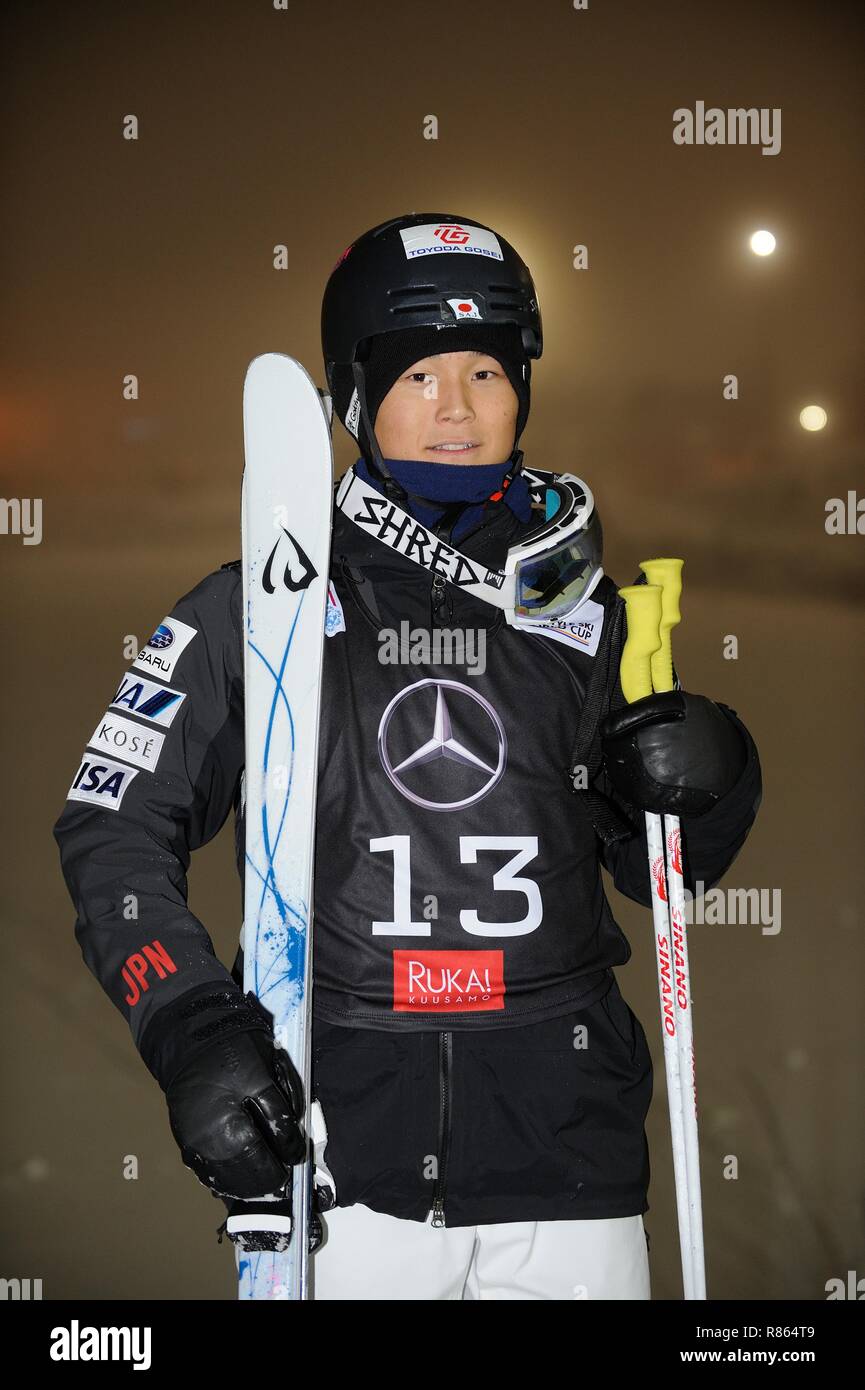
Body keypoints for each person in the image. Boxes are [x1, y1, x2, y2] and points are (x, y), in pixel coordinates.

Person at [53, 211, 762, 1300]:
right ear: (353, 394)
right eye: (419, 373)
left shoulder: (592, 618)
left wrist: (711, 777)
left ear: (523, 387)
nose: (458, 409)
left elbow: (659, 871)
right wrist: (189, 1021)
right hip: (342, 1151)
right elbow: (112, 821)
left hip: (568, 1156)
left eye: (487, 369)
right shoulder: (261, 608)